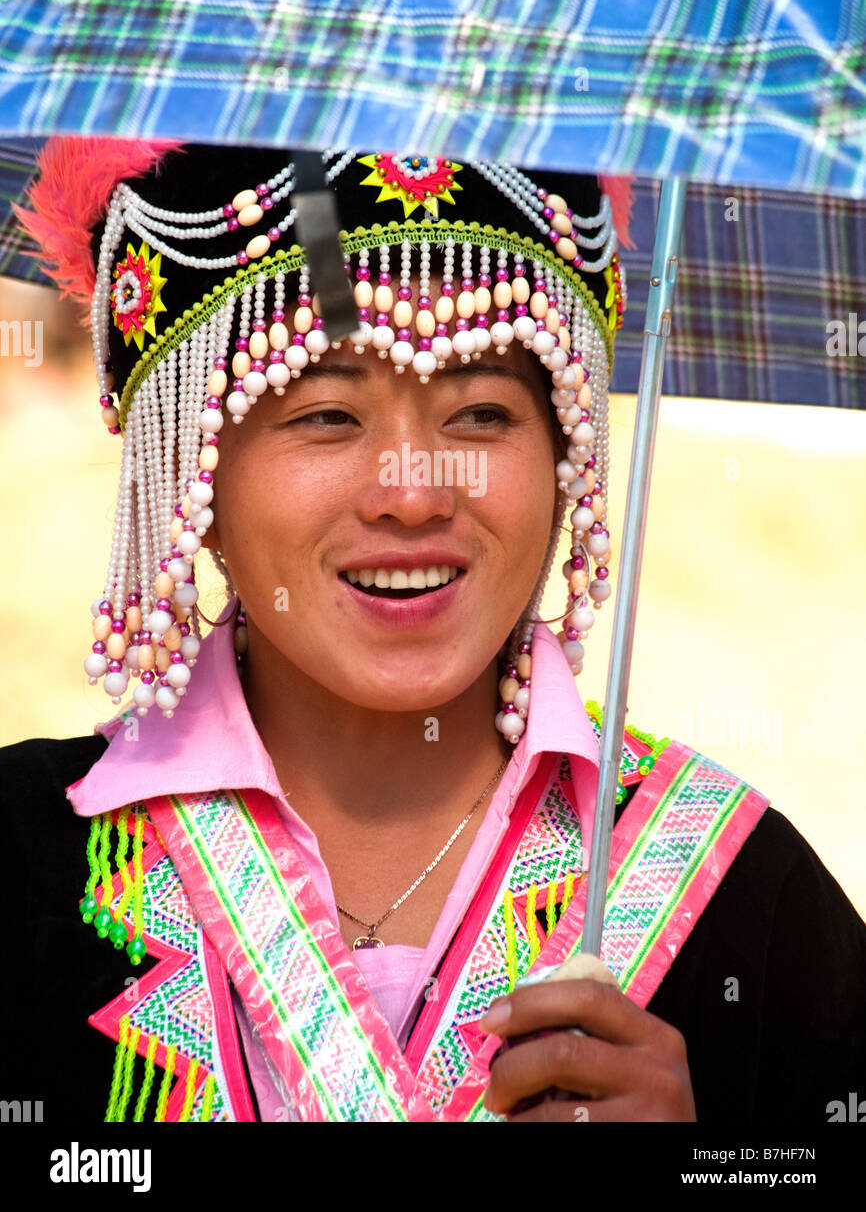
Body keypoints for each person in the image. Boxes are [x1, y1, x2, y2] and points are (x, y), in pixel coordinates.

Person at [2, 141, 864, 1124]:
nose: (413, 494)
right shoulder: (22, 865)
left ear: (564, 455)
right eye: (326, 413)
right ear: (190, 464)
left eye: (481, 414)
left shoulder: (749, 902)